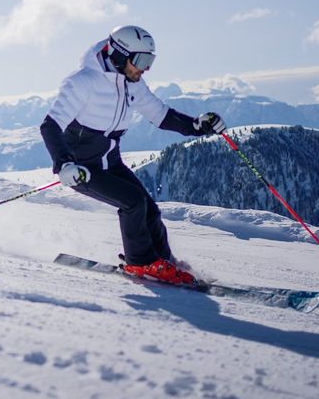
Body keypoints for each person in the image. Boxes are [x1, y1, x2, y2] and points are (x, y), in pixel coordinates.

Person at [39, 25, 227, 286]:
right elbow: (50, 125)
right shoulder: (83, 82)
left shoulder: (130, 82)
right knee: (133, 202)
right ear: (118, 54)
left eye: (150, 61)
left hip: (110, 161)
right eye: (140, 61)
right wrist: (64, 164)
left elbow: (160, 115)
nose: (145, 69)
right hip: (82, 168)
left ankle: (163, 261)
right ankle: (141, 264)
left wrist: (197, 126)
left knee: (149, 209)